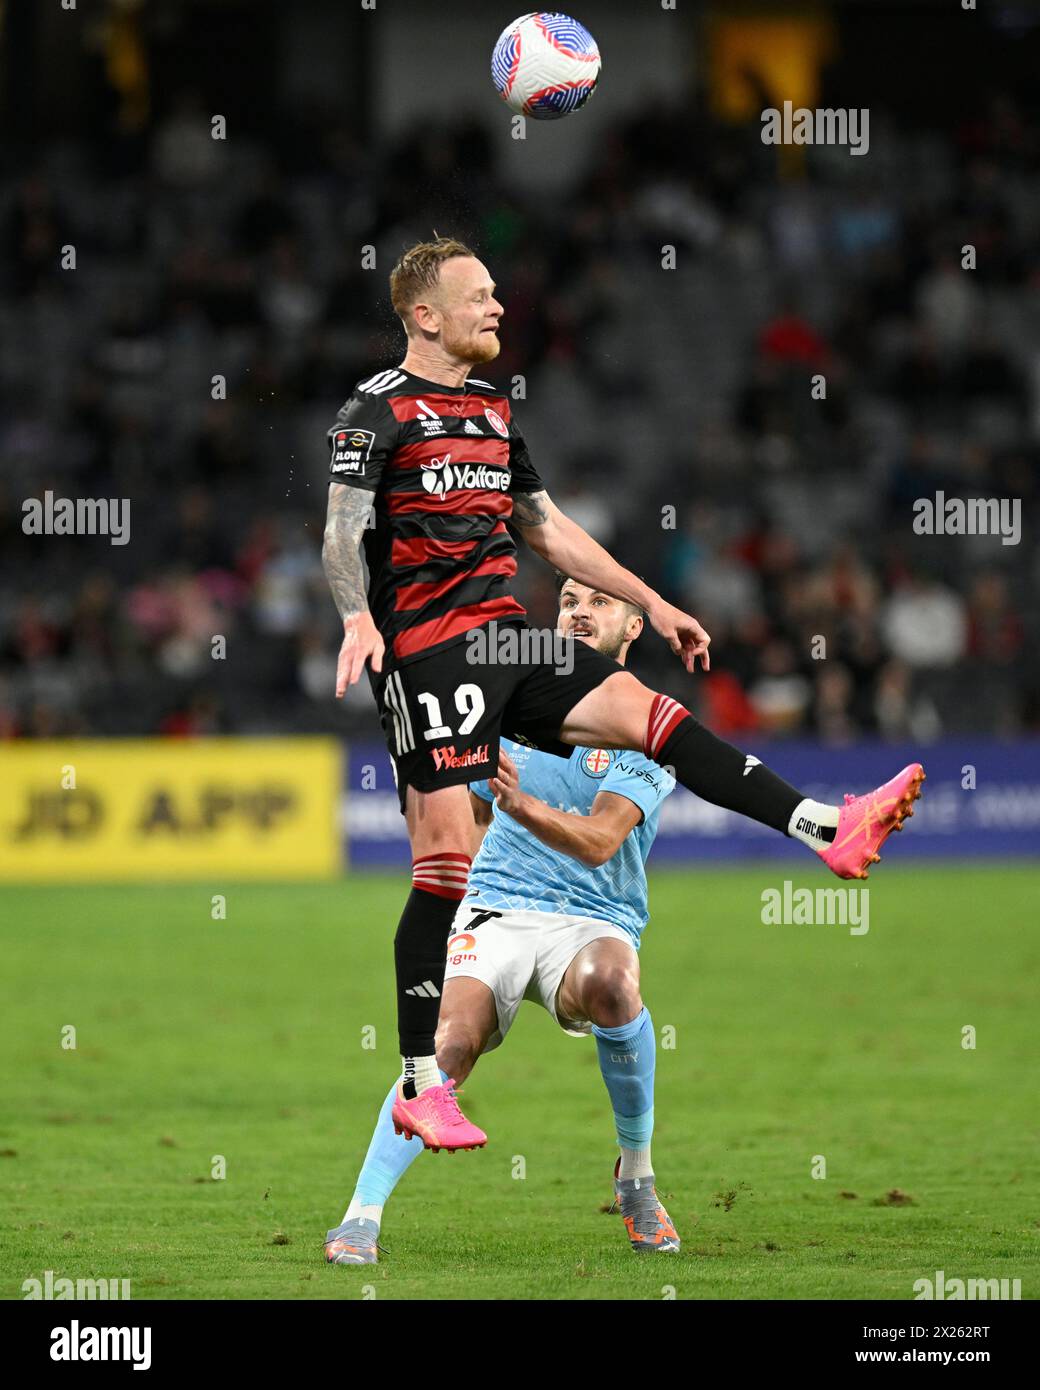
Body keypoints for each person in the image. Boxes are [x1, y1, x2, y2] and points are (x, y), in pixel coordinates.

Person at [320, 235, 924, 1152]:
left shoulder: (489, 409)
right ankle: (418, 1085)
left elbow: (547, 529)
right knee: (445, 862)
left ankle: (824, 828)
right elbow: (342, 530)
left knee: (655, 720)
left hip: (507, 635)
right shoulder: (375, 411)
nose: (499, 308)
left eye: (497, 293)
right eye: (479, 296)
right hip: (429, 653)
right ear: (425, 315)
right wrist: (359, 616)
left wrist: (651, 599)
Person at [325, 577, 679, 1265]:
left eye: (599, 603)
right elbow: (475, 811)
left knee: (614, 985)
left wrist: (521, 808)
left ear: (633, 628)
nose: (578, 611)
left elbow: (602, 839)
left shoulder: (648, 725)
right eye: (570, 599)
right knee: (447, 1043)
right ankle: (359, 1216)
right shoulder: (512, 702)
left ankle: (636, 1179)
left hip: (594, 916)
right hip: (499, 909)